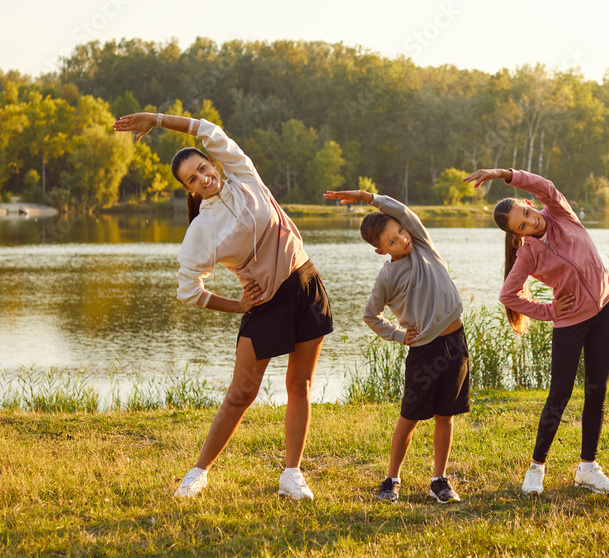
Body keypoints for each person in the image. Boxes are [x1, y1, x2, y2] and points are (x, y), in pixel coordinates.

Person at [112, 111, 333, 500]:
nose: (202, 178)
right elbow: (188, 289)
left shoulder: (243, 176)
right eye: (191, 179)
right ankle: (198, 472)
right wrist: (238, 305)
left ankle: (292, 474)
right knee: (241, 392)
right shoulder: (202, 229)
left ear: (212, 163)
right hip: (265, 304)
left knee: (300, 384)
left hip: (305, 284)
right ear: (189, 189)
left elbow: (207, 129)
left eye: (202, 168)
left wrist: (158, 119)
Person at [463, 168, 609, 496]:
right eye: (521, 226)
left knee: (597, 391)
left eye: (526, 213)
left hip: (602, 310)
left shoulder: (560, 213)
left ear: (528, 204)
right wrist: (549, 311)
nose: (529, 222)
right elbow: (509, 295)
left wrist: (504, 174)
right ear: (517, 235)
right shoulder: (528, 253)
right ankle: (536, 468)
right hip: (570, 323)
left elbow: (544, 185)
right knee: (559, 395)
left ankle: (588, 469)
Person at [323, 188, 469, 504]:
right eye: (392, 240)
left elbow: (403, 211)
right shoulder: (387, 277)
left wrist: (367, 196)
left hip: (455, 343)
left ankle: (439, 480)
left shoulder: (422, 244)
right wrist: (399, 335)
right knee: (410, 417)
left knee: (446, 415)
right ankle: (392, 479)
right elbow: (370, 315)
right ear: (381, 250)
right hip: (425, 351)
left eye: (401, 231)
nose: (402, 239)